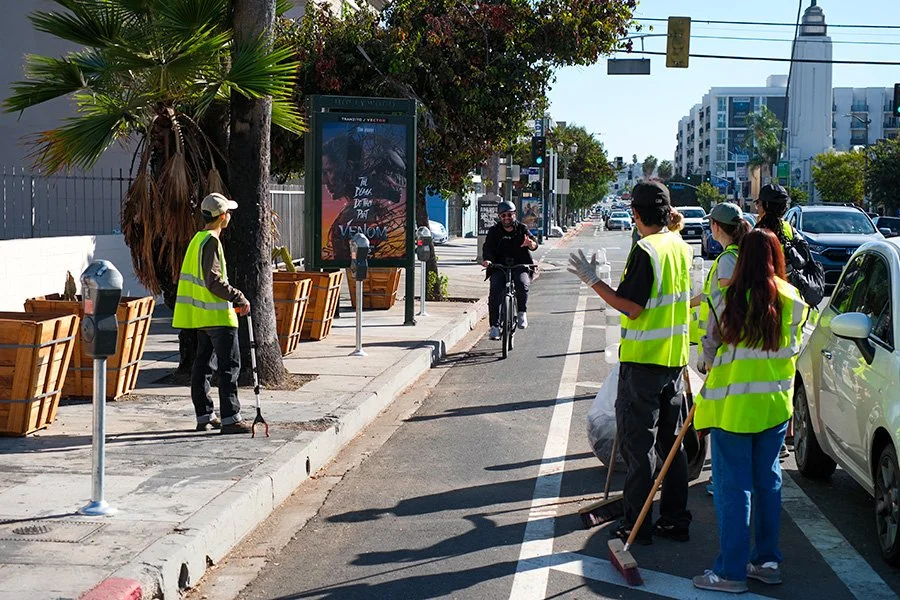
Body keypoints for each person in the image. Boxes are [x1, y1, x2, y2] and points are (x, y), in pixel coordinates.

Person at [568, 180, 693, 545]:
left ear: (636, 214)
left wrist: (594, 281)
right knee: (672, 445)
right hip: (674, 360)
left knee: (640, 447)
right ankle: (675, 518)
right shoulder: (680, 246)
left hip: (644, 365)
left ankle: (637, 524)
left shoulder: (647, 250)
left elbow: (631, 307)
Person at [691, 229, 808, 593]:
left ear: (741, 260)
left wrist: (711, 365)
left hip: (733, 409)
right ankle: (767, 562)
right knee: (768, 483)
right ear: (777, 258)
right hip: (775, 406)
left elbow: (709, 353)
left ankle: (730, 572)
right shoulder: (793, 299)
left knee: (733, 488)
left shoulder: (726, 300)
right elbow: (796, 348)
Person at [172, 193, 252, 435]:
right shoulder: (212, 243)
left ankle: (205, 415)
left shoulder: (197, 239)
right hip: (218, 317)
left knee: (203, 365)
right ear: (223, 216)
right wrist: (239, 296)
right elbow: (214, 281)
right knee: (229, 366)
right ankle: (231, 418)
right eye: (229, 213)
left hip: (201, 316)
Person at [481, 200, 537, 339]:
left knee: (522, 284)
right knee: (495, 291)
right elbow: (487, 248)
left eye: (509, 215)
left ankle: (522, 312)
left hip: (520, 265)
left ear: (514, 214)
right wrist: (487, 260)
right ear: (499, 217)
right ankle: (494, 326)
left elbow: (534, 244)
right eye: (503, 215)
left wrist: (531, 244)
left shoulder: (522, 229)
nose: (507, 218)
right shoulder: (494, 231)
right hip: (499, 266)